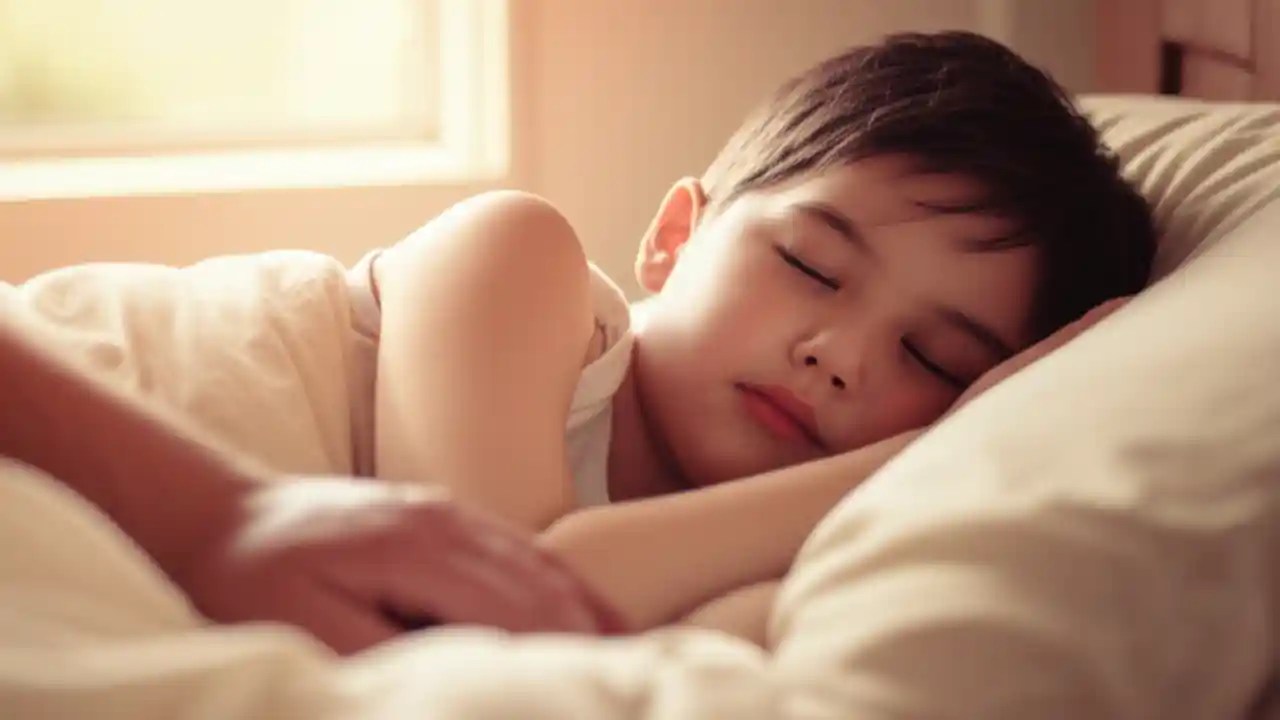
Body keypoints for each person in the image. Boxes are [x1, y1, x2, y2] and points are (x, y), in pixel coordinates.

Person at [0, 31, 1154, 653]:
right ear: (671, 236)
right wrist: (922, 447)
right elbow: (491, 592)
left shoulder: (788, 563)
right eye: (808, 264)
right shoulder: (521, 262)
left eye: (936, 362)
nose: (840, 353)